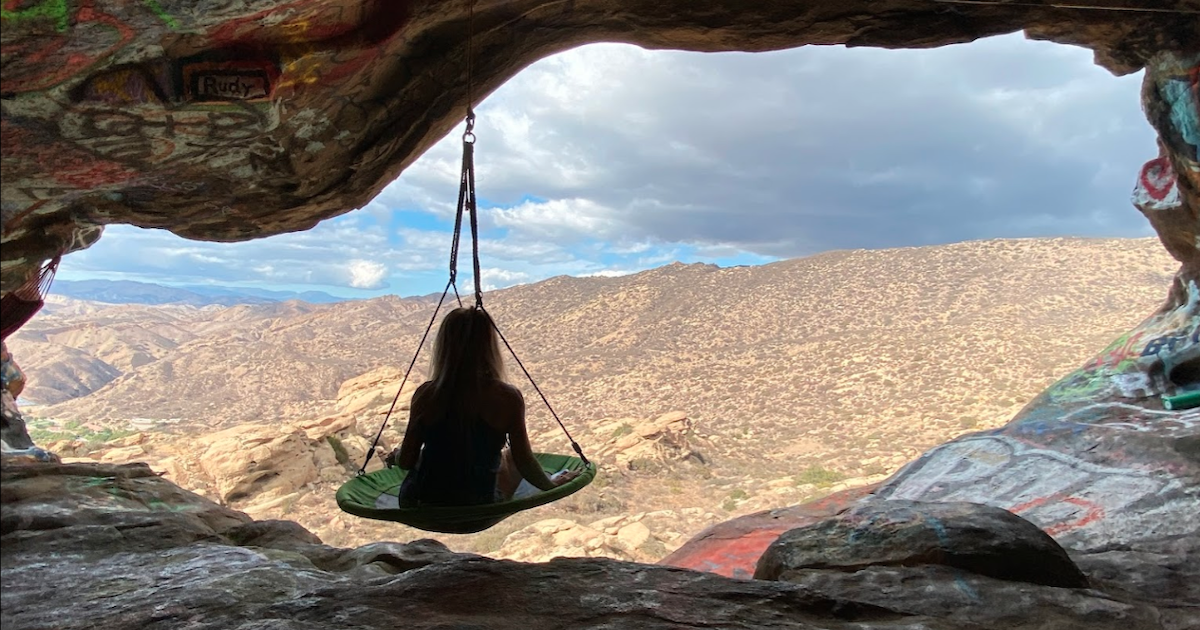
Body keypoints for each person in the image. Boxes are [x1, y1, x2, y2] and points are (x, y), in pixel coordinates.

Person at [389, 307, 578, 506]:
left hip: (422, 501)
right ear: (489, 346)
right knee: (509, 460)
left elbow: (406, 461)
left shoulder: (427, 394)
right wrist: (550, 486)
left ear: (444, 346)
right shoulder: (507, 397)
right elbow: (524, 461)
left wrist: (399, 455)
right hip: (479, 503)